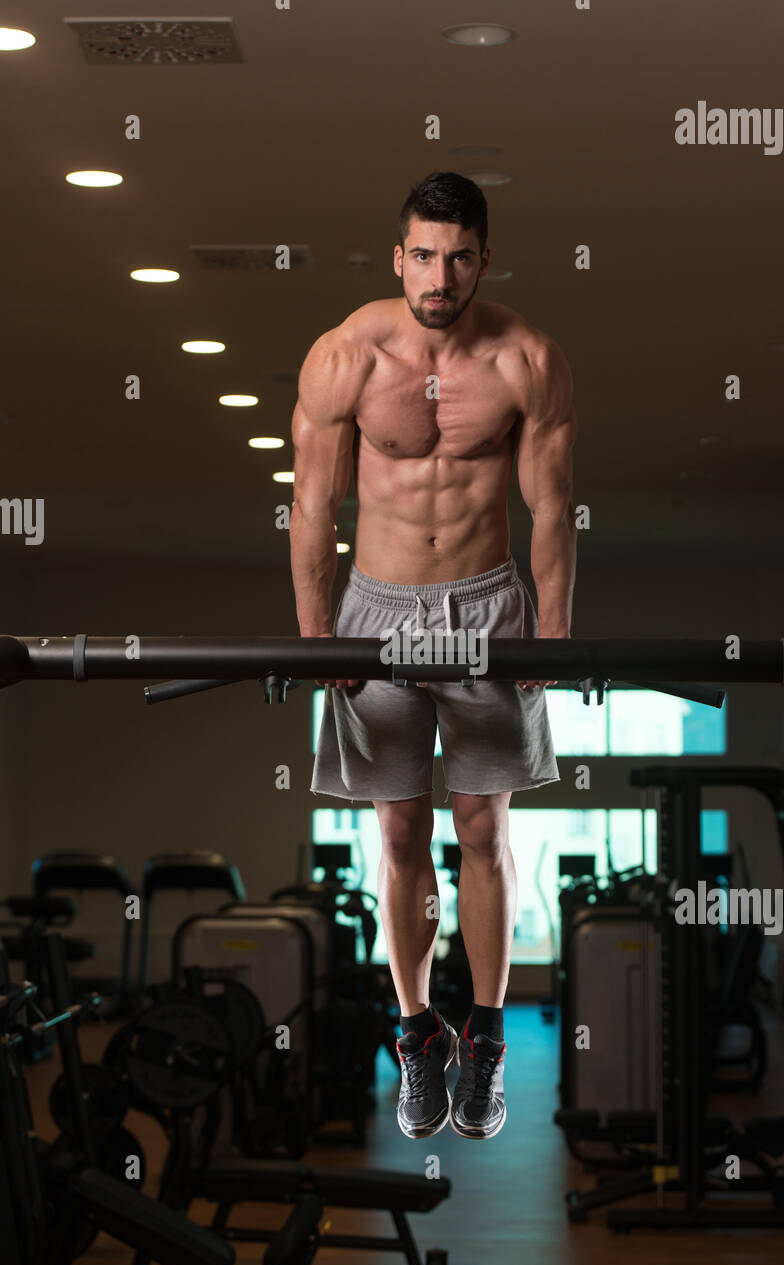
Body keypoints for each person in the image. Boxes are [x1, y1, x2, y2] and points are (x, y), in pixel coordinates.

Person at [290, 171, 576, 1140]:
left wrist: (555, 633)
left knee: (484, 830)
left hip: (488, 606)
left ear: (483, 258)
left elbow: (552, 507)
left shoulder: (526, 357)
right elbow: (313, 506)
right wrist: (317, 629)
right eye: (423, 254)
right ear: (398, 254)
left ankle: (485, 1041)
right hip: (375, 606)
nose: (439, 274)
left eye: (458, 256)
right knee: (400, 835)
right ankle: (419, 1035)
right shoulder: (348, 355)